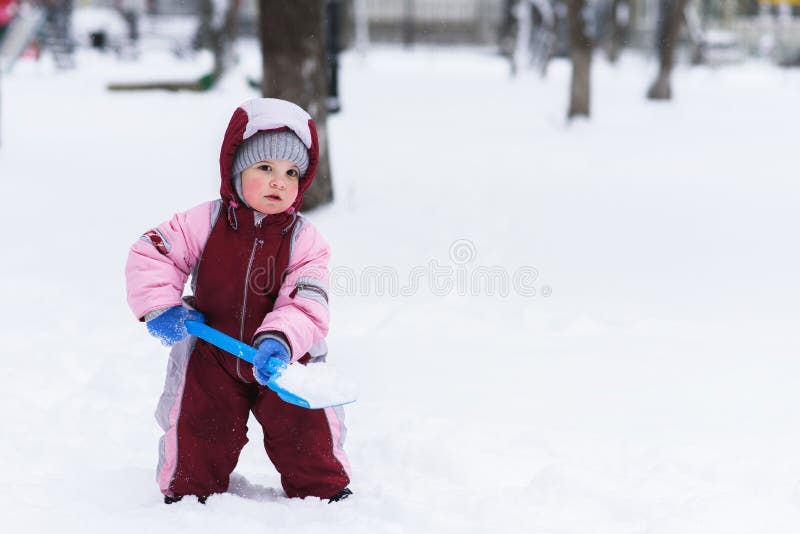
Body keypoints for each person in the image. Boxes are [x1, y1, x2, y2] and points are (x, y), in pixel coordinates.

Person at [125, 98, 352, 505]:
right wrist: (159, 305)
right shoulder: (204, 222)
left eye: (291, 173)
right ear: (235, 170)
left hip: (284, 359)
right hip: (212, 350)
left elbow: (307, 302)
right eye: (265, 168)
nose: (278, 182)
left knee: (305, 429)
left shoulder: (306, 241)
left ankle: (325, 496)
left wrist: (281, 340)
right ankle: (189, 496)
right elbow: (153, 253)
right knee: (199, 428)